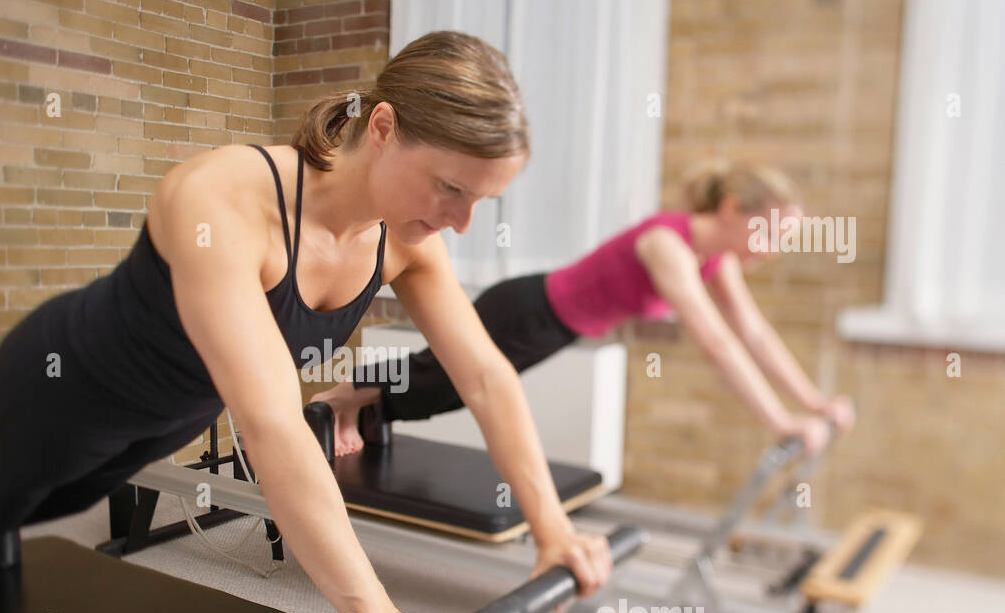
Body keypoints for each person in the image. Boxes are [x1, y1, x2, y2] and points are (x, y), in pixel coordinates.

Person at [0, 30, 613, 613]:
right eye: (451, 188)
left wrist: (551, 530)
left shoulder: (407, 239)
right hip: (66, 384)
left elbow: (484, 375)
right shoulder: (223, 198)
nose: (461, 221)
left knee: (41, 508)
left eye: (482, 201)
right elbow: (272, 423)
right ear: (382, 127)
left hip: (167, 417)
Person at [316, 161, 857, 458]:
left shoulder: (717, 259)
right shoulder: (668, 243)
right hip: (528, 311)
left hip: (555, 329)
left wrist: (814, 401)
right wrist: (782, 422)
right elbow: (717, 342)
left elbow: (755, 336)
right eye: (771, 232)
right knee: (437, 379)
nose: (773, 248)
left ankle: (357, 403)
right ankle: (342, 398)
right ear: (735, 209)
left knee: (441, 388)